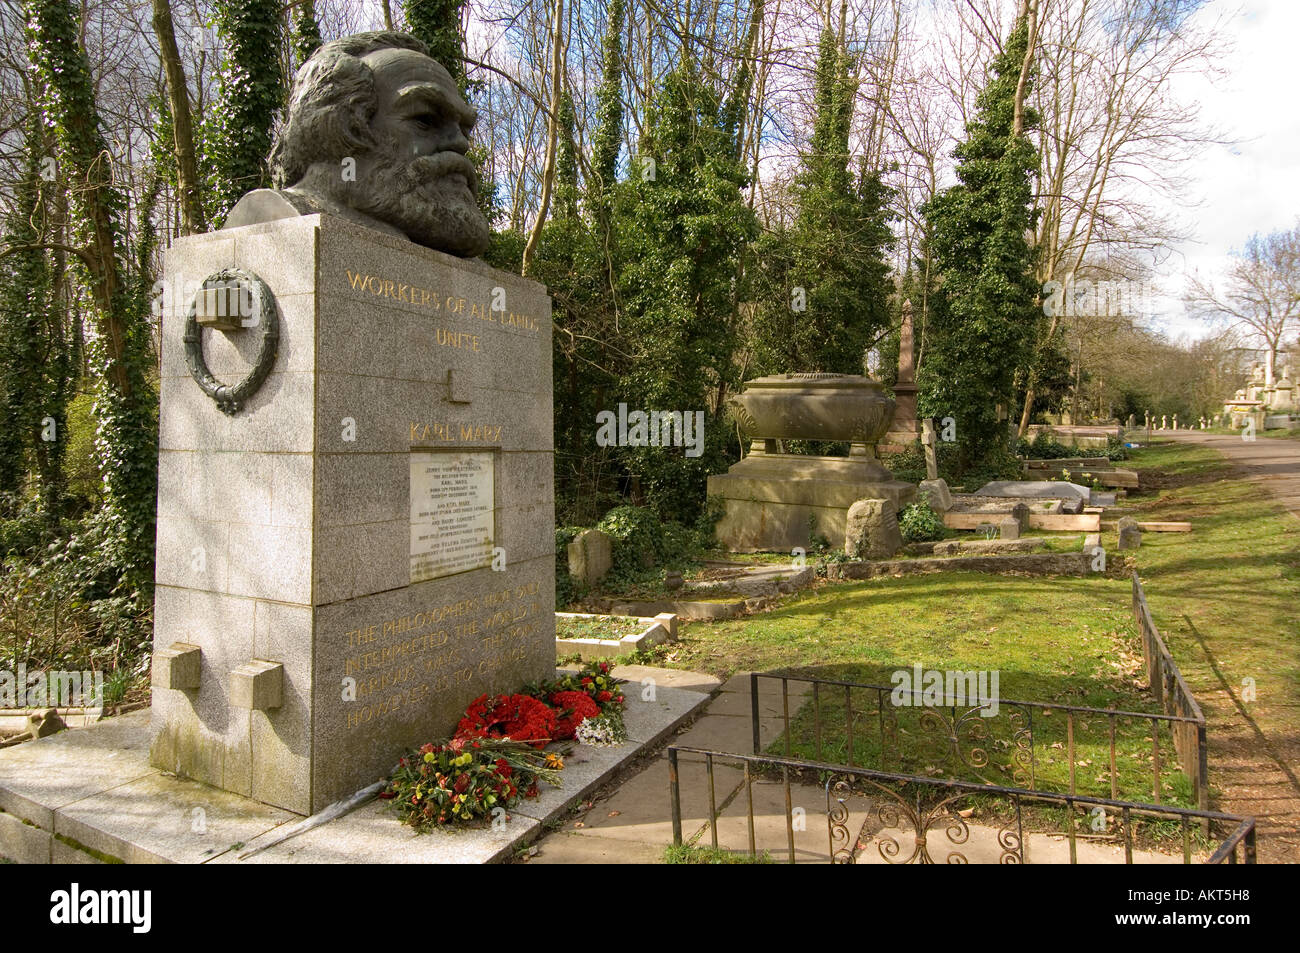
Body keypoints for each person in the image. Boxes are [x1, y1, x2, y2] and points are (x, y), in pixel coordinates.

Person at [223, 32, 489, 258]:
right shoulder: (271, 217)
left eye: (464, 128)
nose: (460, 143)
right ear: (339, 128)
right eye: (426, 119)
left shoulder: (422, 235)